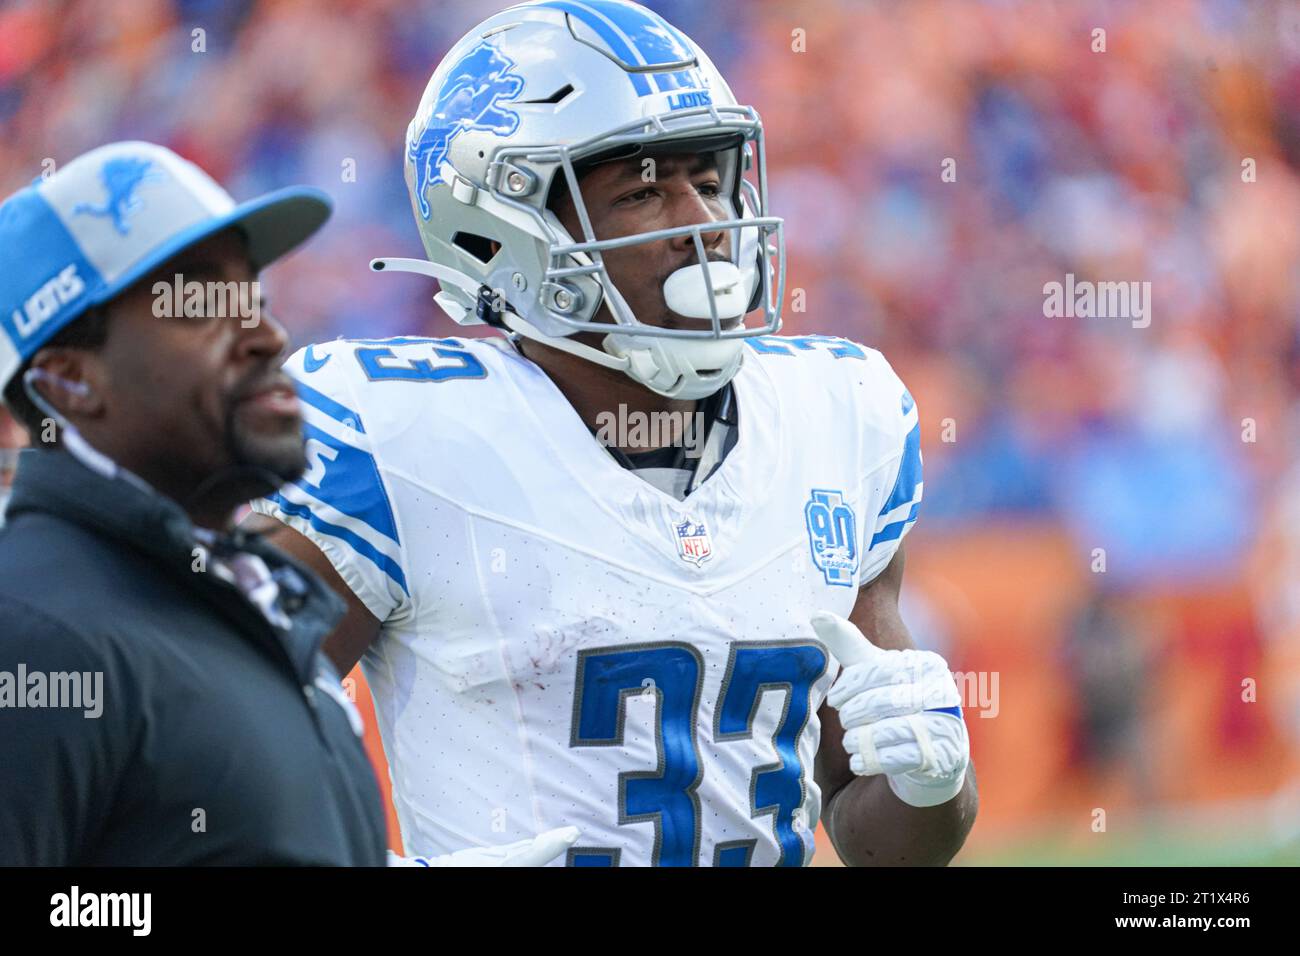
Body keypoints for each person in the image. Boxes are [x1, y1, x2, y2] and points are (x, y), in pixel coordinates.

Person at [252, 0, 977, 866]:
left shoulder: (838, 413)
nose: (703, 222)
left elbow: (884, 840)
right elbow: (216, 756)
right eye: (640, 191)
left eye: (706, 181)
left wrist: (933, 780)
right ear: (497, 234)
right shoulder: (399, 438)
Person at [0, 140, 575, 866]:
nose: (267, 335)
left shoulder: (248, 596)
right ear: (68, 383)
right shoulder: (31, 629)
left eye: (257, 298)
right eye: (204, 306)